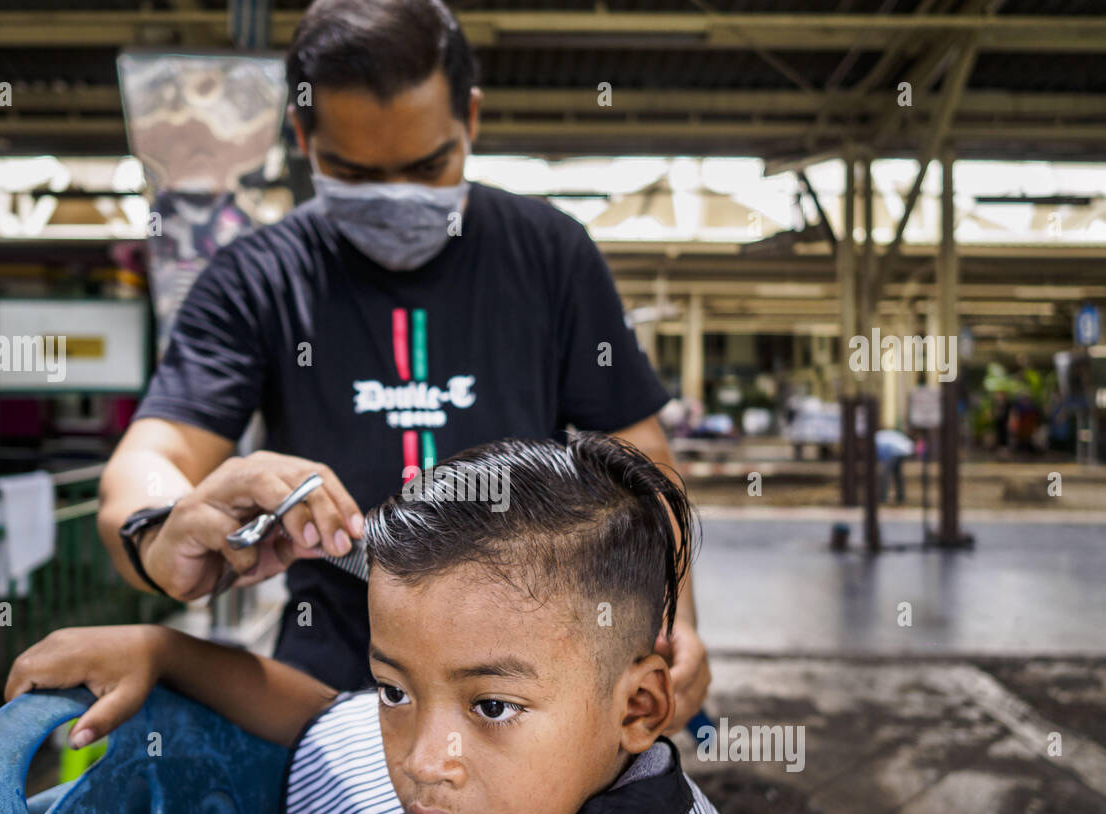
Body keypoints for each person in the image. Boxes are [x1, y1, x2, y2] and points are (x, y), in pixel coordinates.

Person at [97, 0, 710, 729]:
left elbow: (637, 453)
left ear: (471, 119)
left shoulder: (550, 256)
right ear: (302, 134)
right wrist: (164, 528)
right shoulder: (257, 278)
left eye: (428, 165)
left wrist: (675, 616)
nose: (398, 197)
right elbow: (155, 453)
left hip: (531, 679)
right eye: (353, 172)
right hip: (329, 688)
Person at [10, 433, 815, 814]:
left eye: (493, 707)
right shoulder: (536, 781)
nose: (423, 760)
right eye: (397, 687)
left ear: (640, 707)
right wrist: (163, 649)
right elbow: (327, 719)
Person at [875, 427, 914, 505]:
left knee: (885, 474)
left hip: (897, 451)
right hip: (903, 450)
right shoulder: (881, 436)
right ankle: (900, 496)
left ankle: (883, 496)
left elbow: (882, 453)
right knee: (897, 474)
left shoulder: (877, 438)